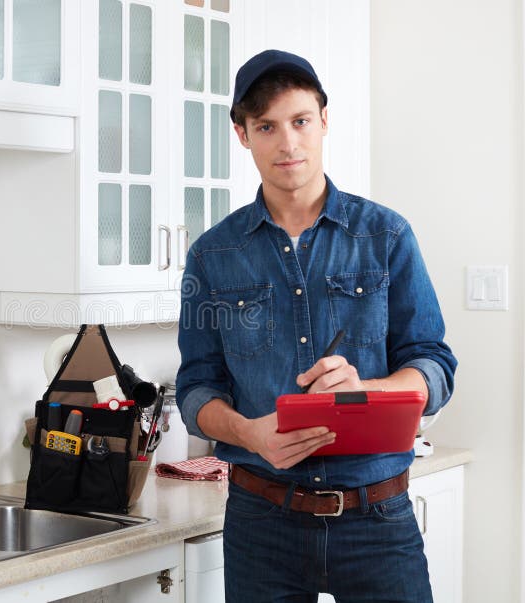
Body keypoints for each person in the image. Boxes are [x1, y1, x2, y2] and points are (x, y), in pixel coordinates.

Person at [175, 49, 457, 602]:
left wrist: (366, 393)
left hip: (378, 519)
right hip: (261, 525)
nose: (288, 143)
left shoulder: (386, 236)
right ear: (243, 134)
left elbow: (434, 364)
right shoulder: (212, 256)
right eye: (267, 127)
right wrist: (248, 432)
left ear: (324, 121)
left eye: (300, 121)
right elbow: (196, 388)